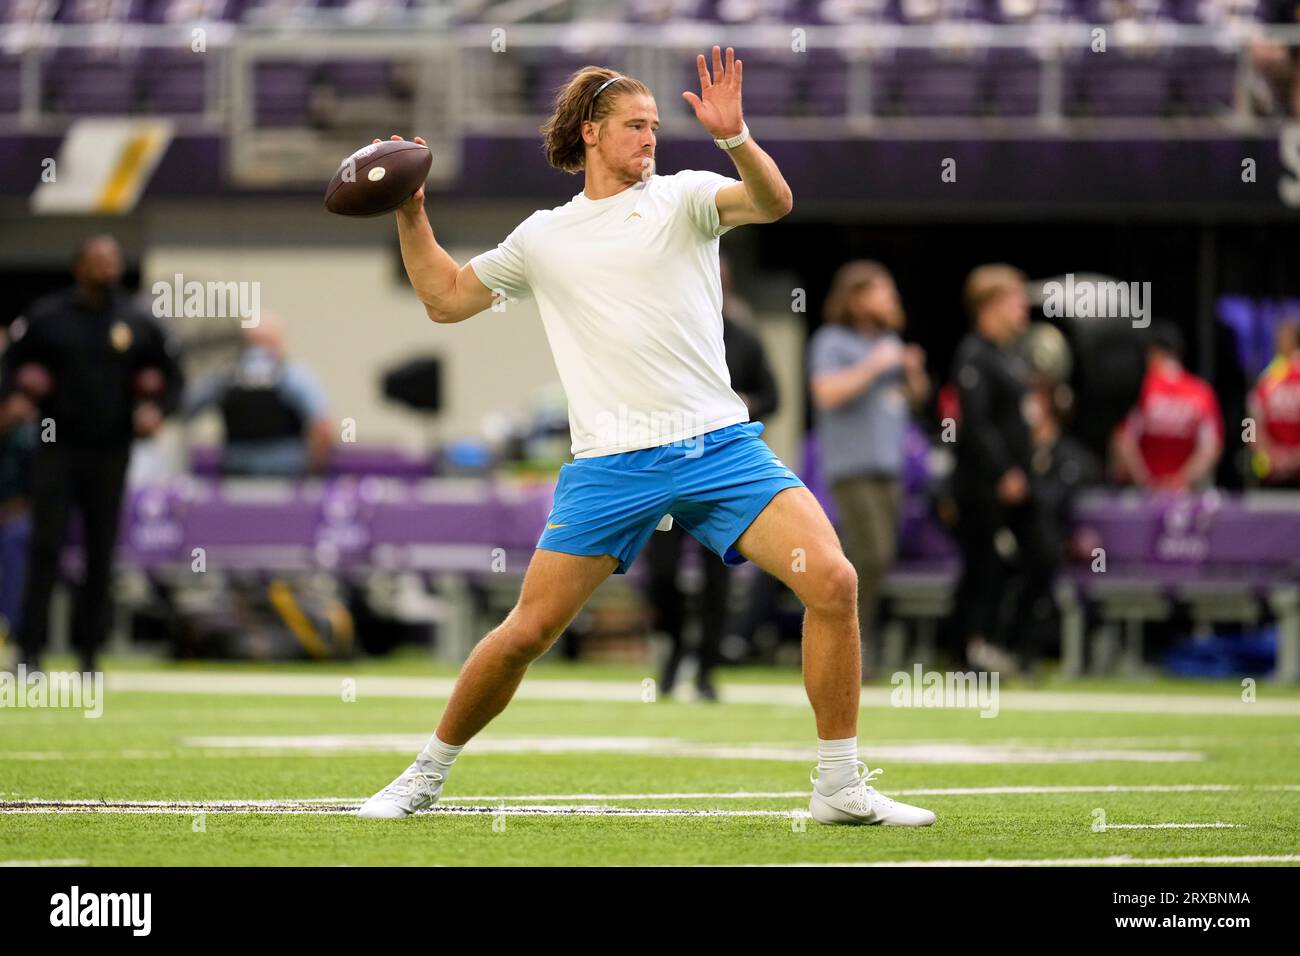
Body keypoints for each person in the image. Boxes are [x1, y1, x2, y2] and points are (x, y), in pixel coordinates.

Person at [357, 49, 934, 826]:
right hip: (613, 464)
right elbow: (446, 299)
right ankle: (423, 776)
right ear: (591, 133)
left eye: (656, 126)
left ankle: (838, 782)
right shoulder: (544, 237)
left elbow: (773, 201)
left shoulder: (687, 197)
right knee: (526, 632)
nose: (651, 138)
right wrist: (409, 208)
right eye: (636, 125)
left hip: (719, 449)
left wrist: (736, 138)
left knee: (833, 581)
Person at [0, 235, 183, 673]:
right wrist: (17, 399)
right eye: (98, 259)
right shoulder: (48, 317)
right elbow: (13, 365)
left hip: (110, 450)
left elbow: (172, 376)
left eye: (113, 259)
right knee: (45, 548)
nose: (107, 266)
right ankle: (30, 652)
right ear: (78, 266)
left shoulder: (136, 320)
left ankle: (89, 653)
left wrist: (157, 410)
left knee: (101, 552)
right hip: (57, 447)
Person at [643, 255, 778, 701]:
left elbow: (773, 396)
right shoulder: (669, 334)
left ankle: (705, 668)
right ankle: (673, 650)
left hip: (719, 467)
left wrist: (740, 405)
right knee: (662, 572)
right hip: (670, 463)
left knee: (717, 573)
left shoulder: (742, 338)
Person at [809, 261, 928, 681]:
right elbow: (826, 392)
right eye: (883, 292)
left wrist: (911, 370)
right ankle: (850, 647)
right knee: (869, 556)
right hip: (852, 468)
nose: (892, 301)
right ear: (857, 299)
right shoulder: (832, 341)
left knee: (873, 559)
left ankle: (853, 645)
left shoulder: (889, 342)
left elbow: (916, 400)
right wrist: (876, 366)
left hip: (889, 470)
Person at [944, 264, 1051, 676]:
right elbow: (976, 422)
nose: (1022, 309)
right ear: (990, 305)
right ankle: (966, 652)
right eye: (1014, 300)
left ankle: (1009, 646)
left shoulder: (1011, 357)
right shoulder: (974, 355)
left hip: (1020, 482)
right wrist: (1003, 470)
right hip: (982, 486)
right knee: (982, 566)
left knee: (1039, 557)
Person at [183, 313, 333, 478]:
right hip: (287, 474)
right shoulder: (292, 374)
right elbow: (323, 425)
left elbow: (185, 407)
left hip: (236, 473)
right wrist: (315, 469)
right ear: (277, 341)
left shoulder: (224, 375)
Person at [1112, 322, 1223, 492]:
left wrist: (1145, 481)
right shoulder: (1201, 391)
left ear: (1154, 352)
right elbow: (1211, 446)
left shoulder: (1143, 387)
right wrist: (1183, 480)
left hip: (1146, 495)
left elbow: (1123, 440)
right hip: (1185, 495)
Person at [1247, 317, 1300, 487]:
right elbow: (1249, 424)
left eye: (1284, 338)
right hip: (1270, 470)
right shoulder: (1267, 378)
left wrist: (1292, 459)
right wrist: (1267, 454)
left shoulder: (1266, 378)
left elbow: (1248, 425)